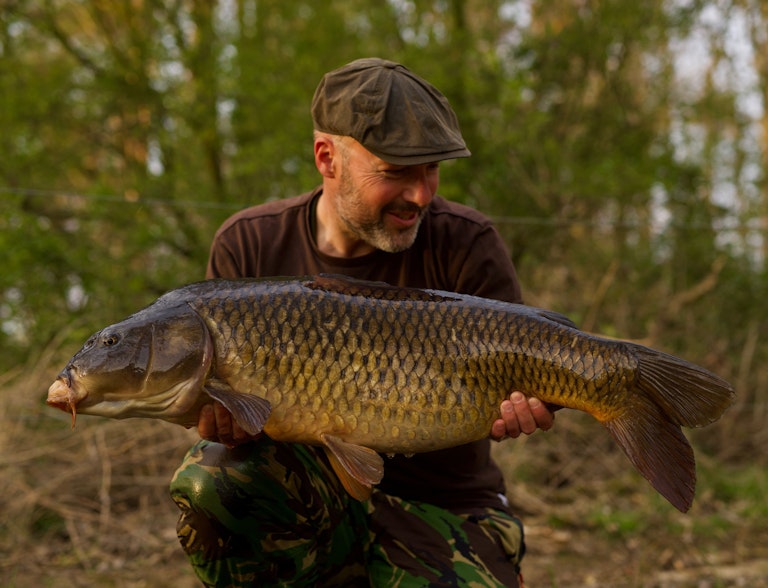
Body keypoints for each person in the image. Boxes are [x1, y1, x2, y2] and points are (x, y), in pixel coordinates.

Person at [170, 57, 555, 588]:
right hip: (310, 502)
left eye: (432, 169)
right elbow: (229, 425)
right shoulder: (248, 244)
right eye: (396, 172)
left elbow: (526, 377)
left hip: (447, 505)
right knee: (212, 477)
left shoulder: (467, 242)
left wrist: (525, 404)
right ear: (327, 158)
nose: (421, 195)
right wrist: (225, 422)